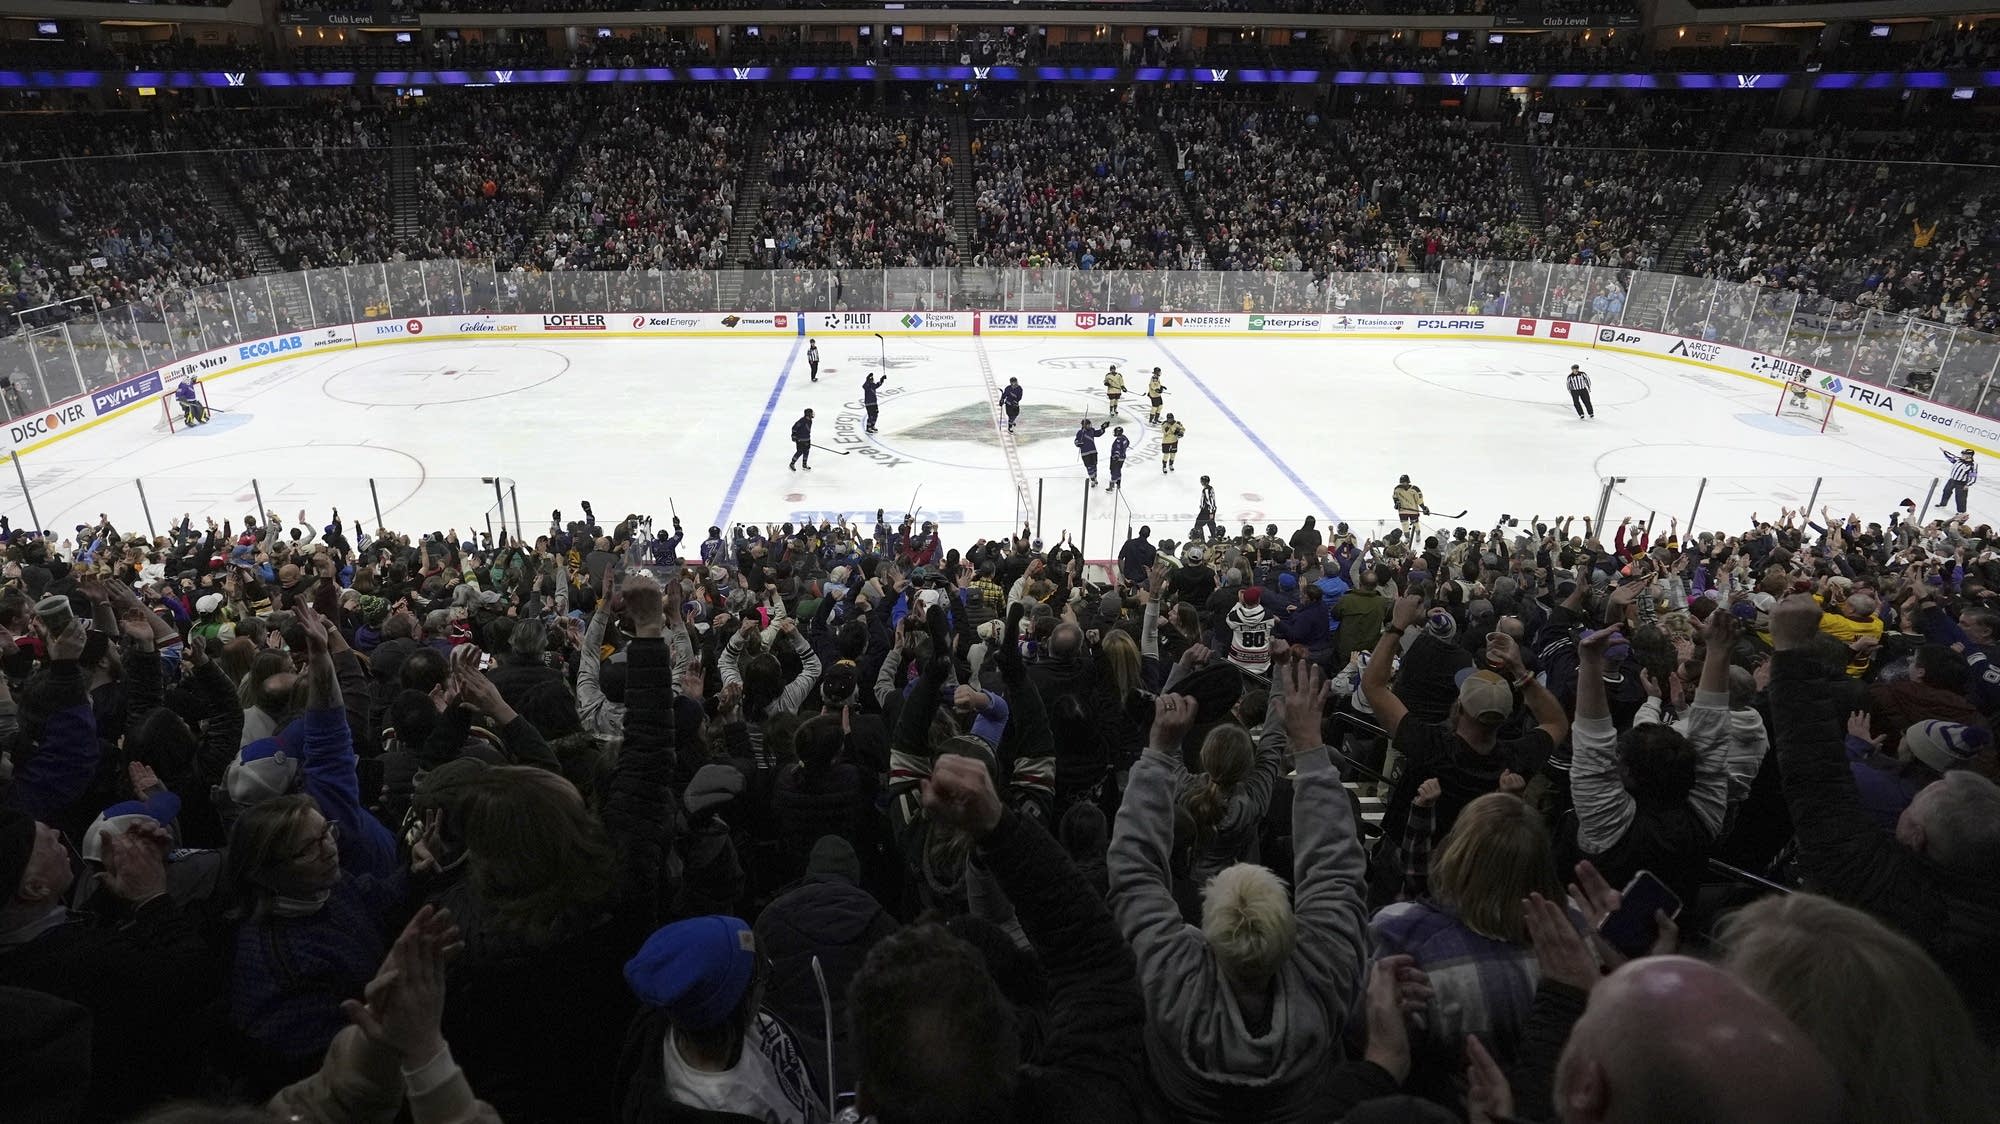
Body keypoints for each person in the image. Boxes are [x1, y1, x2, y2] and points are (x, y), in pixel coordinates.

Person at [1107, 661, 1376, 1122]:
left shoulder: (1170, 985)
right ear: (1292, 933)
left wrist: (1159, 748)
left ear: (1202, 934)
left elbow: (1133, 874)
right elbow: (1335, 874)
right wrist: (1309, 743)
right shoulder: (1325, 980)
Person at [1764, 591, 2000, 1038]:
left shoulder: (1880, 881)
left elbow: (1812, 770)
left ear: (1914, 839)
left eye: (1915, 806)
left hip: (1822, 1017)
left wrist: (1790, 654)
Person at [1940, 447, 1976, 514]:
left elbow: (1973, 476)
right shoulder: (1959, 460)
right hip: (1952, 480)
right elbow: (1951, 456)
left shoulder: (1972, 465)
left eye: (1964, 454)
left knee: (1960, 498)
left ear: (1969, 456)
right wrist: (1944, 451)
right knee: (1946, 491)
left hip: (1961, 483)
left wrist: (1967, 484)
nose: (1962, 455)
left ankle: (1961, 512)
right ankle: (1943, 504)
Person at [1075, 417, 1109, 488]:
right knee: (1089, 467)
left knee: (1094, 466)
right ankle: (1092, 479)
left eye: (1090, 424)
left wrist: (1103, 428)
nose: (1090, 426)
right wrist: (1078, 443)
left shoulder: (1092, 430)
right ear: (1084, 425)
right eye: (1088, 425)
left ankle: (1095, 477)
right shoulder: (1080, 432)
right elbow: (1076, 441)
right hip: (1085, 453)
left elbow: (1098, 433)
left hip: (1093, 452)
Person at [1192, 476, 1219, 540]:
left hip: (1207, 510)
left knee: (1198, 524)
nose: (1201, 482)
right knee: (1211, 523)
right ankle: (1214, 537)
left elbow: (1210, 501)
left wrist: (1211, 512)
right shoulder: (1210, 488)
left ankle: (1202, 539)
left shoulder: (1206, 490)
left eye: (1202, 481)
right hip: (1210, 509)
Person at [1107, 426, 1129, 492]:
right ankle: (1118, 484)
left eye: (1116, 432)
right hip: (1122, 458)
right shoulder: (1124, 437)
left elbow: (1117, 450)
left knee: (1113, 470)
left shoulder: (1118, 440)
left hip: (1117, 458)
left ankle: (1111, 487)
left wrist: (1116, 456)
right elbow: (1128, 443)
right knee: (1118, 470)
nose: (1114, 433)